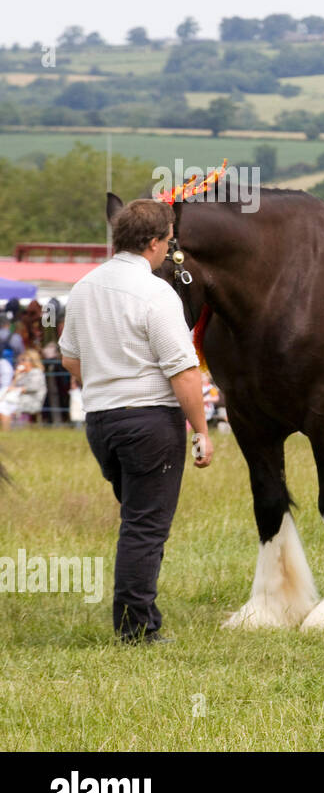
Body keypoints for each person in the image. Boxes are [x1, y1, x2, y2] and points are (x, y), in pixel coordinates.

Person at [58, 198, 214, 644]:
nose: (169, 250)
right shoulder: (155, 292)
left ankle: (138, 612)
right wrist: (201, 430)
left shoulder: (85, 286)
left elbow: (71, 358)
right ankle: (135, 627)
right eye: (167, 240)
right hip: (149, 421)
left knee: (136, 518)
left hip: (102, 420)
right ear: (152, 243)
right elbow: (183, 370)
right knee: (145, 526)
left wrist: (108, 378)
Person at [0, 348, 47, 429]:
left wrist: (17, 390)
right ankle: (6, 431)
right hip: (17, 398)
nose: (21, 362)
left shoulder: (36, 372)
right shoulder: (22, 374)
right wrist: (16, 376)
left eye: (24, 360)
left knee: (3, 407)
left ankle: (6, 431)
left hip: (30, 399)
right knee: (3, 406)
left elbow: (33, 387)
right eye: (21, 360)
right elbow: (12, 386)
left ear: (32, 361)